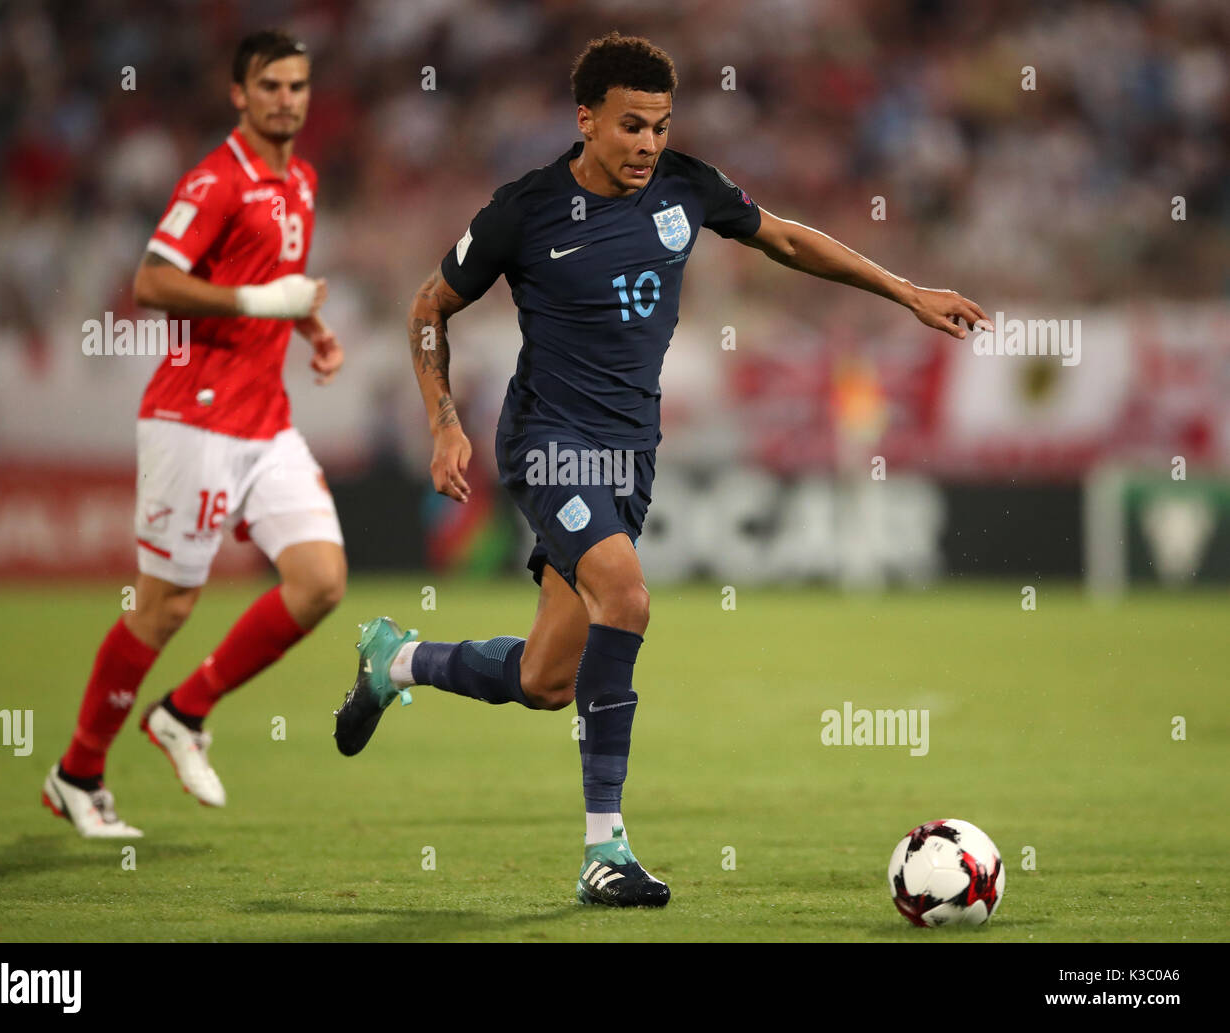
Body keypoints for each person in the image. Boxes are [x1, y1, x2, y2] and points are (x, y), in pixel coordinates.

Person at [334, 32, 987, 905]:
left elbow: (787, 241)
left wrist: (907, 291)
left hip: (630, 454)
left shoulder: (688, 186)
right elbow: (428, 306)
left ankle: (398, 660)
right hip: (549, 442)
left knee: (544, 679)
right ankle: (606, 848)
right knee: (628, 596)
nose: (648, 144)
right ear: (586, 121)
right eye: (632, 126)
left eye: (660, 125)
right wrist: (444, 422)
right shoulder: (522, 211)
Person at [45, 30, 346, 837]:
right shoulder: (216, 180)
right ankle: (77, 771)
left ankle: (184, 710)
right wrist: (258, 307)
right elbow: (149, 280)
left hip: (266, 420)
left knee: (320, 581)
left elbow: (276, 280)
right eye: (271, 86)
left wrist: (310, 326)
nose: (287, 98)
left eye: (298, 85)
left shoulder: (303, 180)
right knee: (168, 604)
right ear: (238, 95)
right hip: (194, 415)